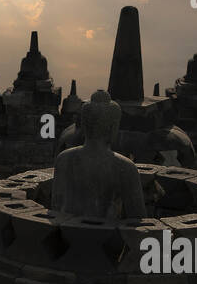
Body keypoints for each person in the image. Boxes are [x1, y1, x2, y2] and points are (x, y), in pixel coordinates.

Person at [52, 91, 146, 220]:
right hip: (107, 231)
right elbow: (138, 220)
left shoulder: (63, 159)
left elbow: (55, 207)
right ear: (113, 128)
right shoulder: (125, 167)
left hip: (66, 230)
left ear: (83, 126)